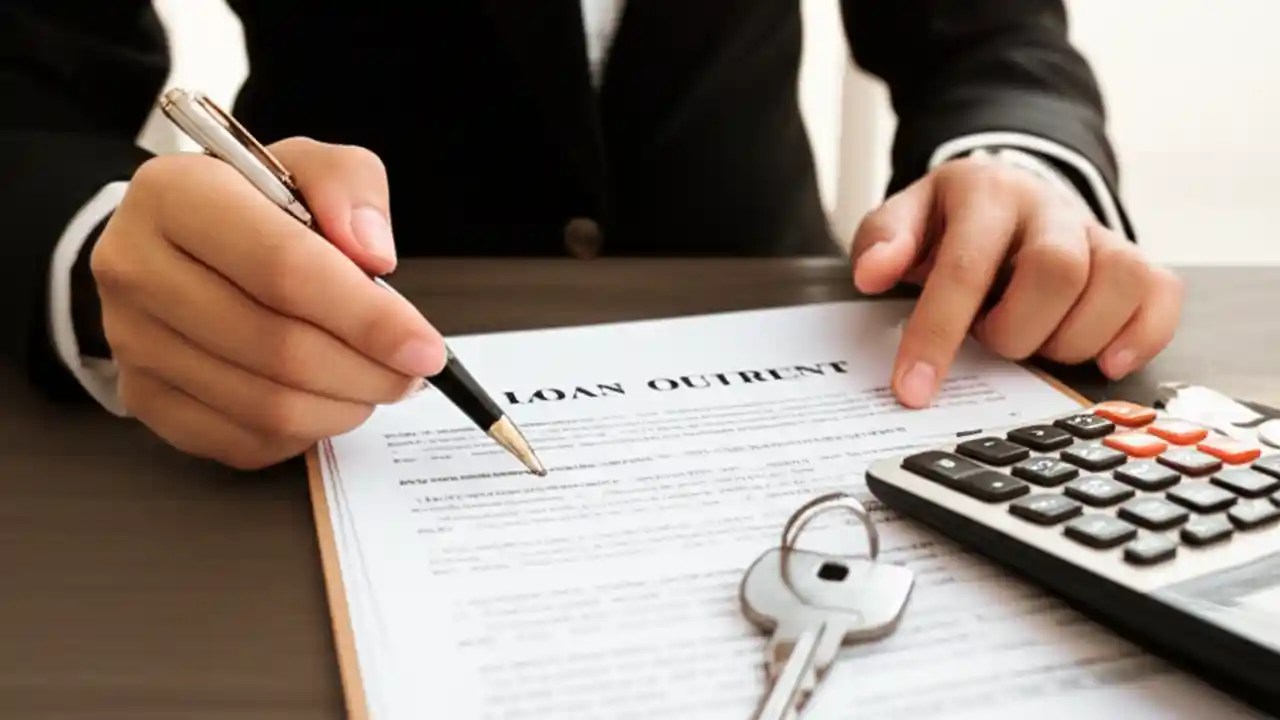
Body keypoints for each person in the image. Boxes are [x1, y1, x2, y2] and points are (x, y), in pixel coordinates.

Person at [2, 1, 1181, 470]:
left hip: (802, 308)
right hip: (296, 350)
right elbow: (30, 83)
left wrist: (1019, 165)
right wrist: (101, 248)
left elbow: (982, 38)